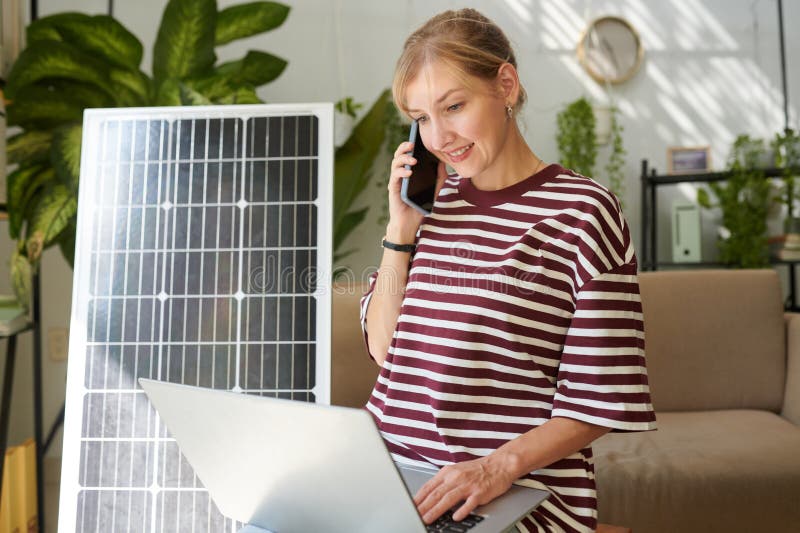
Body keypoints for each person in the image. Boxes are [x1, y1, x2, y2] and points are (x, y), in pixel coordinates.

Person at [359, 8, 656, 533]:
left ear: (506, 85)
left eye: (454, 106)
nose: (439, 137)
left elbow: (601, 400)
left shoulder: (583, 214)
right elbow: (388, 354)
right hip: (391, 479)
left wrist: (494, 470)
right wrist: (400, 230)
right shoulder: (427, 210)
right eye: (422, 117)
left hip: (510, 496)